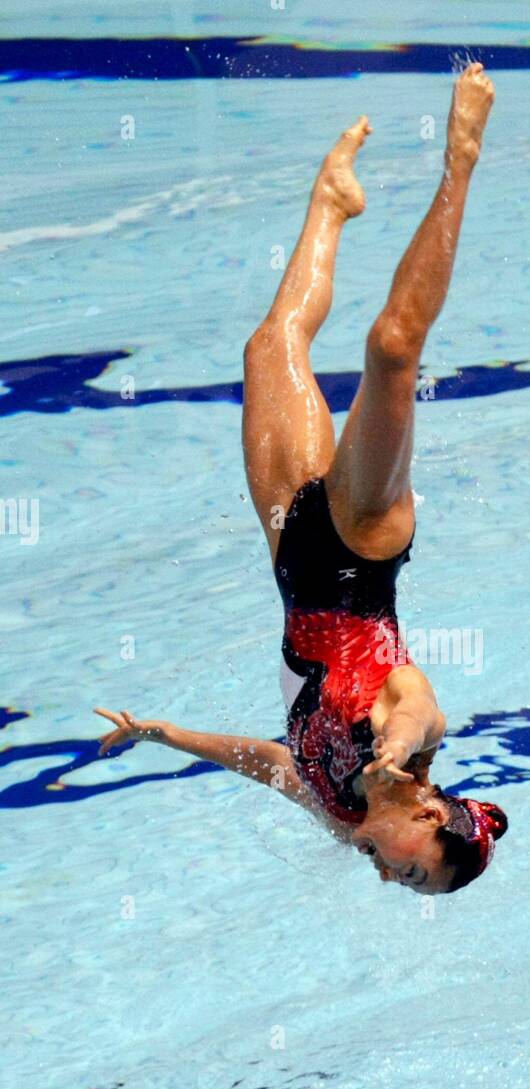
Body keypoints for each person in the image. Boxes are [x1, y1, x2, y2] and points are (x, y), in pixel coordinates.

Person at [95, 63, 507, 894]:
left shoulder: (339, 814)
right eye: (412, 873)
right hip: (360, 544)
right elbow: (417, 702)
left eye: (402, 885)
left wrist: (169, 735)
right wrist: (394, 750)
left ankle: (332, 203)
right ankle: (461, 158)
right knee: (392, 348)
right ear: (429, 818)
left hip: (293, 555)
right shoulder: (414, 734)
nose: (390, 878)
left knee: (270, 346)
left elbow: (275, 761)